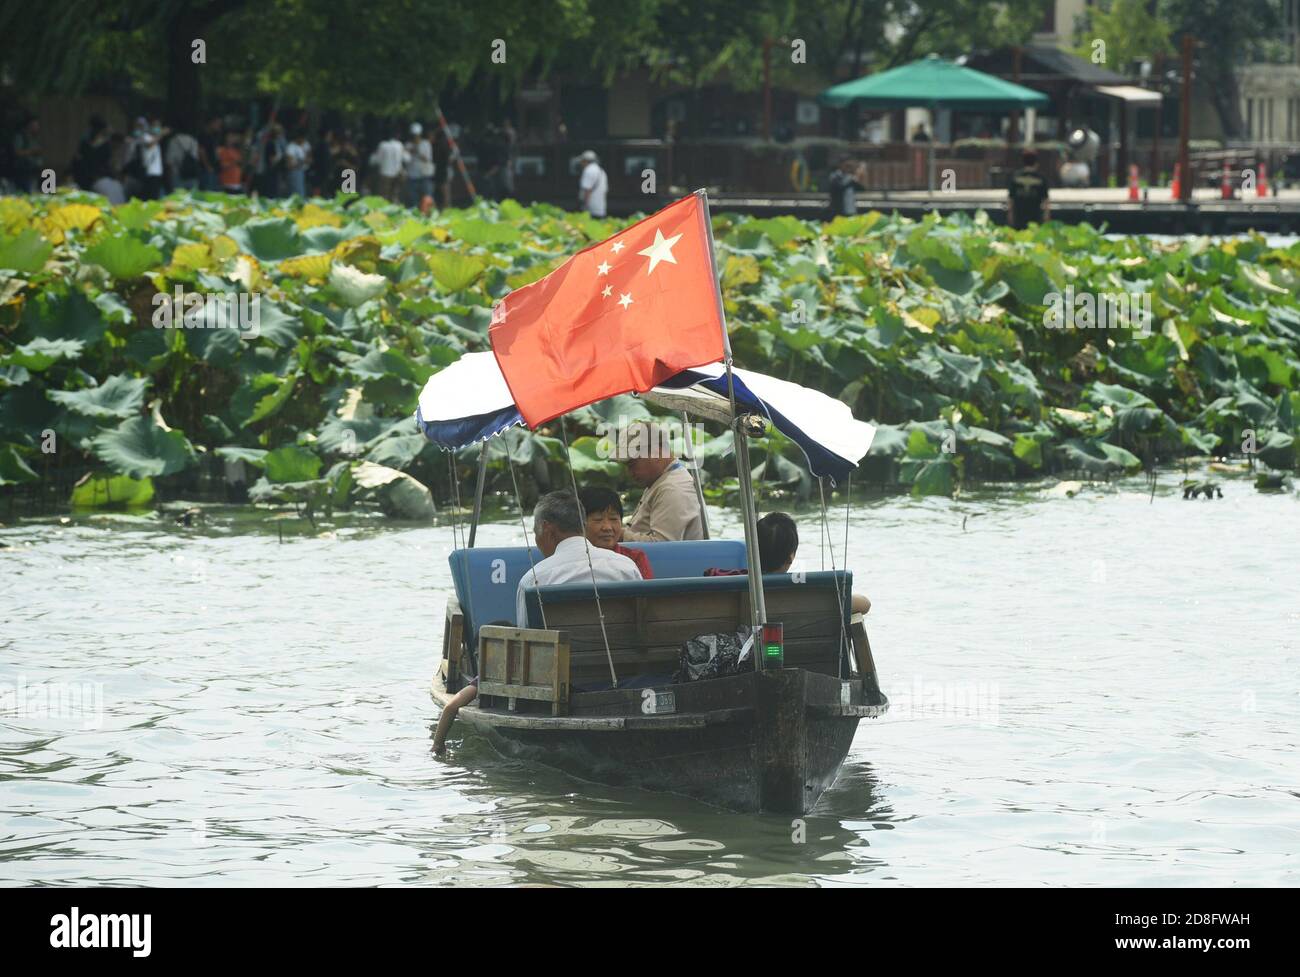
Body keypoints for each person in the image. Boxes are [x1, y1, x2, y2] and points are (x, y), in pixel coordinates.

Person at [515, 491, 643, 626]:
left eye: (536, 532)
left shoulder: (534, 579)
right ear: (584, 524)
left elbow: (528, 637)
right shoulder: (627, 567)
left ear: (546, 528)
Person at [617, 422, 704, 542]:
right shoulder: (662, 480)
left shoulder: (672, 488)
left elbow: (662, 546)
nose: (629, 472)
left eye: (632, 464)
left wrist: (619, 535)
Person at [578, 485, 654, 579]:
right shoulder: (573, 560)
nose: (607, 527)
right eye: (598, 519)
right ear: (580, 523)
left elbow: (646, 592)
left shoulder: (635, 558)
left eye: (613, 519)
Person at [1007, 148, 1050, 230]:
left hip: (1018, 217)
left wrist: (1010, 216)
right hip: (1035, 217)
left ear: (1023, 161)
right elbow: (1046, 202)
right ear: (1036, 162)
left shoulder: (1015, 177)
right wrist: (1046, 218)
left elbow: (1010, 200)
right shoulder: (1041, 179)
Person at [165, 120, 203, 192]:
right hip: (192, 174)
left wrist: (168, 177)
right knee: (192, 200)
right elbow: (196, 158)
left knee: (178, 200)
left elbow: (169, 161)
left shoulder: (173, 141)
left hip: (177, 174)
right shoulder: (193, 141)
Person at [404, 122, 434, 207]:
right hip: (412, 175)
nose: (415, 137)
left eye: (417, 135)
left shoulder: (426, 144)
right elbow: (405, 160)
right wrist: (408, 151)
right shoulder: (408, 145)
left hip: (424, 175)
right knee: (413, 200)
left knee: (427, 198)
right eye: (414, 135)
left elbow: (427, 159)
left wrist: (417, 151)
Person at [372, 125, 405, 202]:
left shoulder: (382, 145)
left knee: (384, 195)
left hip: (385, 174)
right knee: (394, 194)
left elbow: (378, 160)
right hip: (397, 173)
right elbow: (405, 158)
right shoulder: (399, 145)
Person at [577, 149, 607, 218]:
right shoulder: (601, 171)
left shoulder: (588, 170)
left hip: (591, 209)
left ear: (586, 161)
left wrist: (585, 207)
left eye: (582, 161)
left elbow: (587, 190)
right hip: (601, 208)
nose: (581, 163)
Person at [283, 128, 310, 197]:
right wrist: (301, 162)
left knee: (302, 192)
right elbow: (290, 164)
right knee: (296, 193)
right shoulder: (290, 147)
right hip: (294, 172)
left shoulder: (302, 146)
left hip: (302, 171)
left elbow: (308, 159)